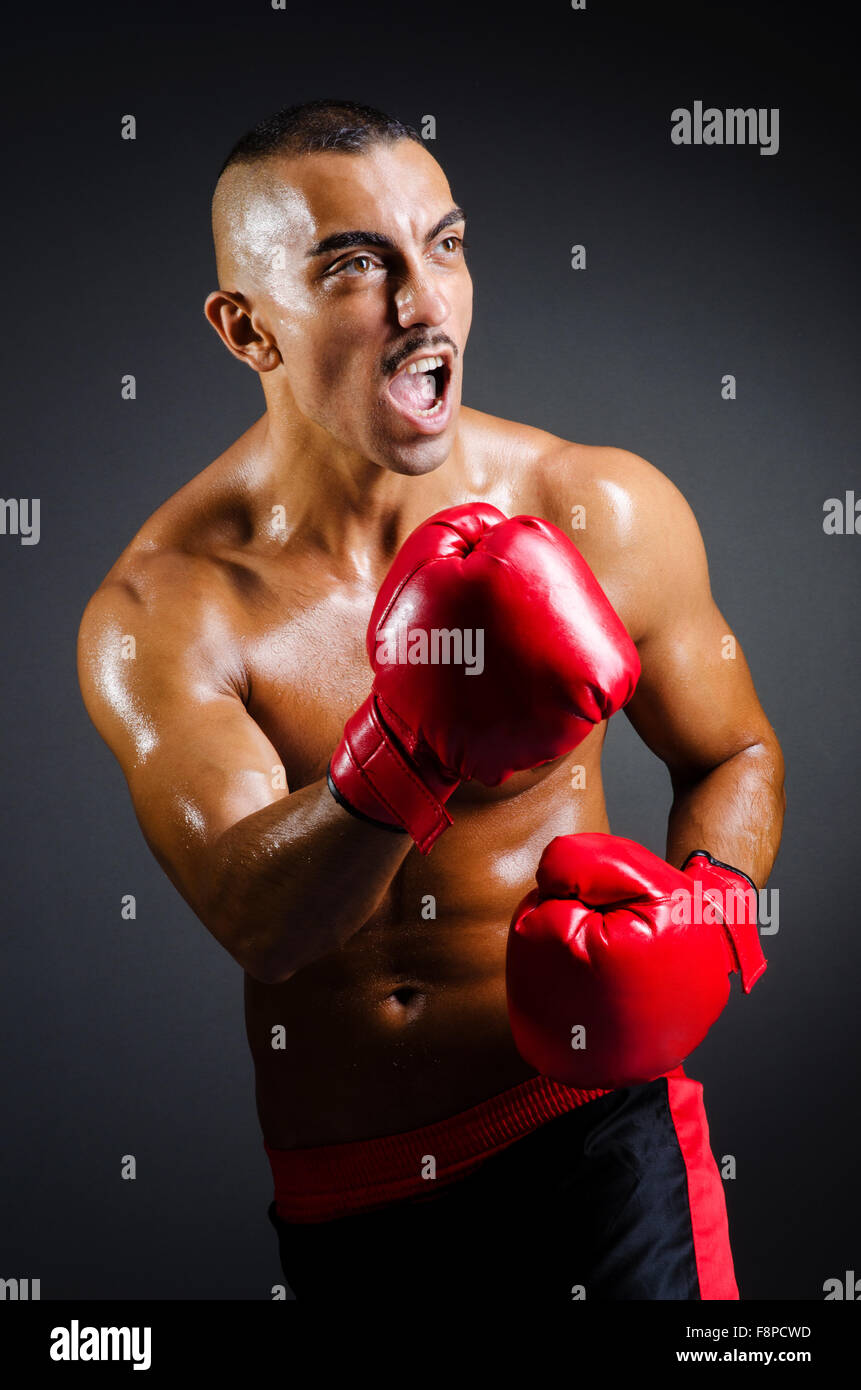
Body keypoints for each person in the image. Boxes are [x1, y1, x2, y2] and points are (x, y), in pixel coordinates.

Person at [77, 99, 785, 1301]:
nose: (423, 304)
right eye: (356, 268)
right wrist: (412, 741)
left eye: (444, 247)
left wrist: (708, 917)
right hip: (351, 1194)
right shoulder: (168, 610)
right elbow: (263, 919)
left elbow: (735, 753)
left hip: (591, 1137)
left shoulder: (595, 509)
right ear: (249, 328)